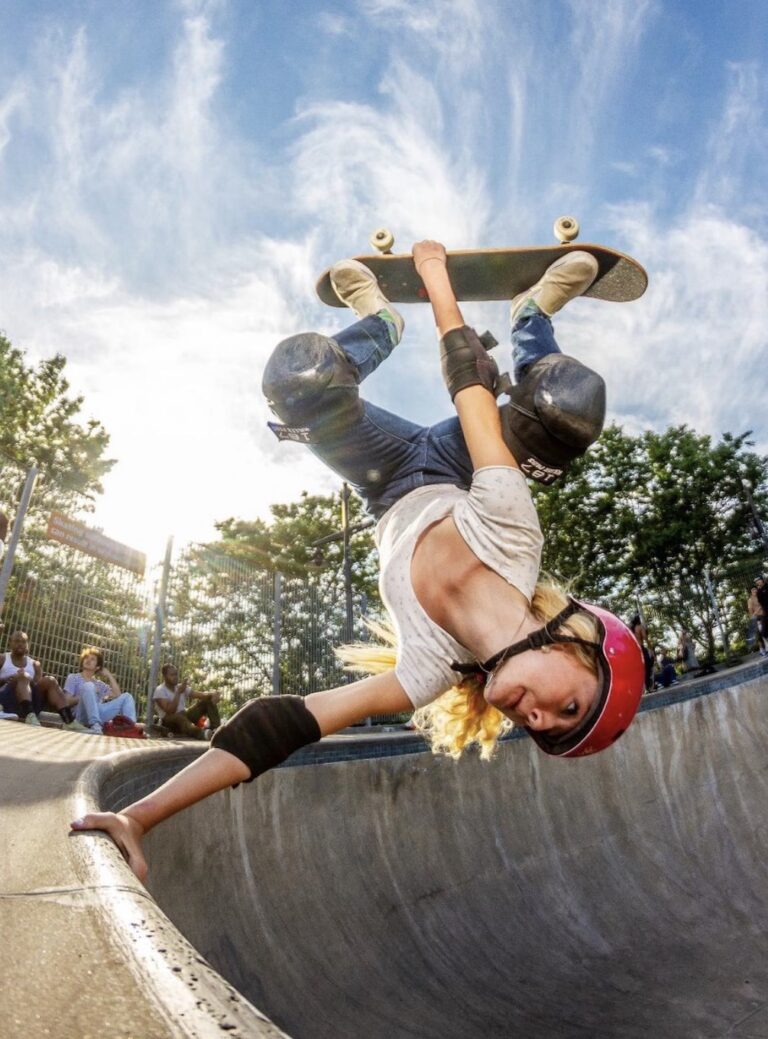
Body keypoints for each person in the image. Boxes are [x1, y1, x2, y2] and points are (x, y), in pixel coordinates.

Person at [72, 241, 645, 881]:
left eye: (544, 731)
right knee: (566, 403)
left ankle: (373, 313)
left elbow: (283, 726)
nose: (536, 718)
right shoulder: (513, 543)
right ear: (578, 643)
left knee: (297, 378)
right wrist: (434, 281)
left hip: (389, 474)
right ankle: (523, 316)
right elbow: (472, 390)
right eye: (567, 708)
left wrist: (140, 816)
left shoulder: (428, 671)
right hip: (462, 460)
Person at [0, 629, 90, 731]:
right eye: (17, 641)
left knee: (49, 680)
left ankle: (69, 721)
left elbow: (37, 689)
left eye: (23, 641)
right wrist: (8, 679)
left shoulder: (35, 664)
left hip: (30, 705)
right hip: (5, 703)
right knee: (22, 676)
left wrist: (28, 679)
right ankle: (29, 716)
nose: (20, 644)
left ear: (27, 645)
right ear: (10, 643)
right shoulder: (2, 659)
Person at [63, 647, 140, 734]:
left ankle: (130, 728)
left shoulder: (99, 684)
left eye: (92, 659)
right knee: (89, 686)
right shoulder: (73, 677)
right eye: (86, 657)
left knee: (127, 697)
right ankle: (95, 726)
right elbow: (67, 702)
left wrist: (109, 675)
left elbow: (117, 695)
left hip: (99, 713)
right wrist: (86, 694)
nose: (88, 660)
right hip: (81, 716)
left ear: (97, 667)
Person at [153, 664, 222, 740]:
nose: (175, 677)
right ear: (165, 676)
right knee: (179, 717)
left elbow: (200, 695)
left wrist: (213, 695)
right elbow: (170, 711)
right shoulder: (160, 690)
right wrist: (178, 693)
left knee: (207, 701)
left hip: (184, 716)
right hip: (169, 722)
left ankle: (217, 731)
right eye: (172, 675)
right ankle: (202, 734)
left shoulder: (180, 687)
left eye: (176, 674)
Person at [629, 614, 655, 693]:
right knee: (648, 666)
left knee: (639, 669)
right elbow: (645, 638)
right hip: (640, 649)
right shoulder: (640, 627)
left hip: (633, 650)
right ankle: (648, 687)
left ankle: (643, 688)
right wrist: (651, 648)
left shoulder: (630, 628)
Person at [747, 585, 766, 656]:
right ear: (751, 592)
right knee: (760, 634)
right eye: (753, 590)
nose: (754, 591)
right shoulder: (750, 600)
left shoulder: (761, 596)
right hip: (758, 617)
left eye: (755, 589)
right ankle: (762, 650)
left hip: (765, 615)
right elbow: (750, 611)